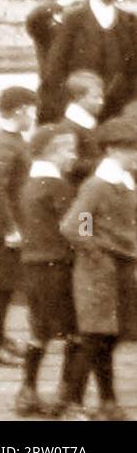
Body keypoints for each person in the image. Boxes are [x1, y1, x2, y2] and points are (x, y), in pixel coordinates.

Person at [58, 117, 137, 421]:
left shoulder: (125, 182)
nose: (135, 155)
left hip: (122, 269)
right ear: (112, 151)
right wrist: (97, 251)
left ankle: (107, 401)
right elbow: (76, 226)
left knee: (110, 337)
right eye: (130, 150)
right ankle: (72, 404)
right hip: (99, 272)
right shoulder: (98, 185)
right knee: (94, 338)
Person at [16, 124, 81, 418]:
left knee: (39, 331)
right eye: (69, 149)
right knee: (75, 334)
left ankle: (27, 391)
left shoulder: (30, 186)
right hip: (59, 267)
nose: (74, 156)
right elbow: (78, 227)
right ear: (52, 153)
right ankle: (65, 398)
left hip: (33, 267)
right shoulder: (60, 188)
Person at [41, 0, 137, 122]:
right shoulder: (74, 18)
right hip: (80, 104)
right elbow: (56, 65)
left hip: (117, 107)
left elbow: (133, 67)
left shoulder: (128, 22)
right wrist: (63, 105)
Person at [0, 85, 36, 367]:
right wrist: (10, 228)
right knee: (4, 286)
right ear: (20, 111)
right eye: (31, 110)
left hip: (14, 225)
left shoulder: (14, 140)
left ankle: (0, 338)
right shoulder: (6, 143)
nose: (33, 116)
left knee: (7, 285)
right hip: (7, 228)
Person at [25, 0, 86, 80]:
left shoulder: (86, 25)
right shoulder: (46, 27)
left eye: (83, 4)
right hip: (56, 86)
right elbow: (34, 18)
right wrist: (58, 4)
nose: (81, 8)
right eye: (75, 4)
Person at [60, 70, 103, 186]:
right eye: (95, 97)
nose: (101, 102)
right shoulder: (69, 127)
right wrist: (103, 163)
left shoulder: (89, 123)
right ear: (78, 97)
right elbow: (70, 164)